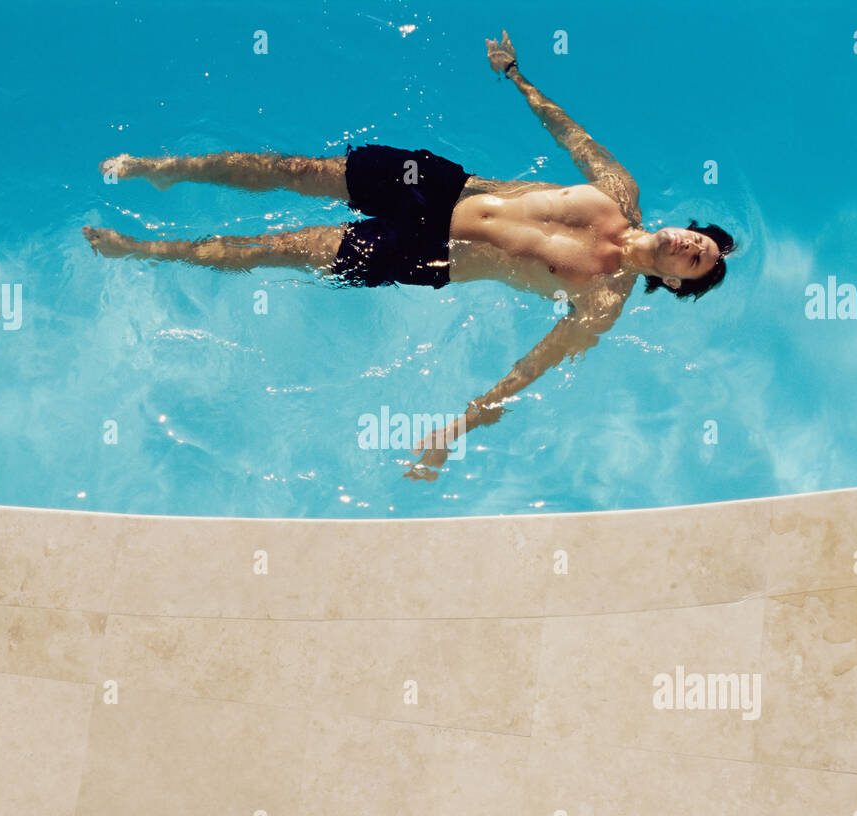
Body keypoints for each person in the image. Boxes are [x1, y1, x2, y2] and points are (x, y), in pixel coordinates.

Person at [83, 29, 734, 479]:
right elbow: (571, 134)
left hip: (426, 254)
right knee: (295, 170)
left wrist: (453, 433)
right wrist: (515, 77)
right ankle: (162, 169)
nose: (687, 246)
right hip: (438, 185)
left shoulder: (603, 299)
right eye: (697, 240)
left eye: (694, 261)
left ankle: (143, 249)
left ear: (675, 284)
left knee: (275, 251)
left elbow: (533, 365)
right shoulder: (621, 191)